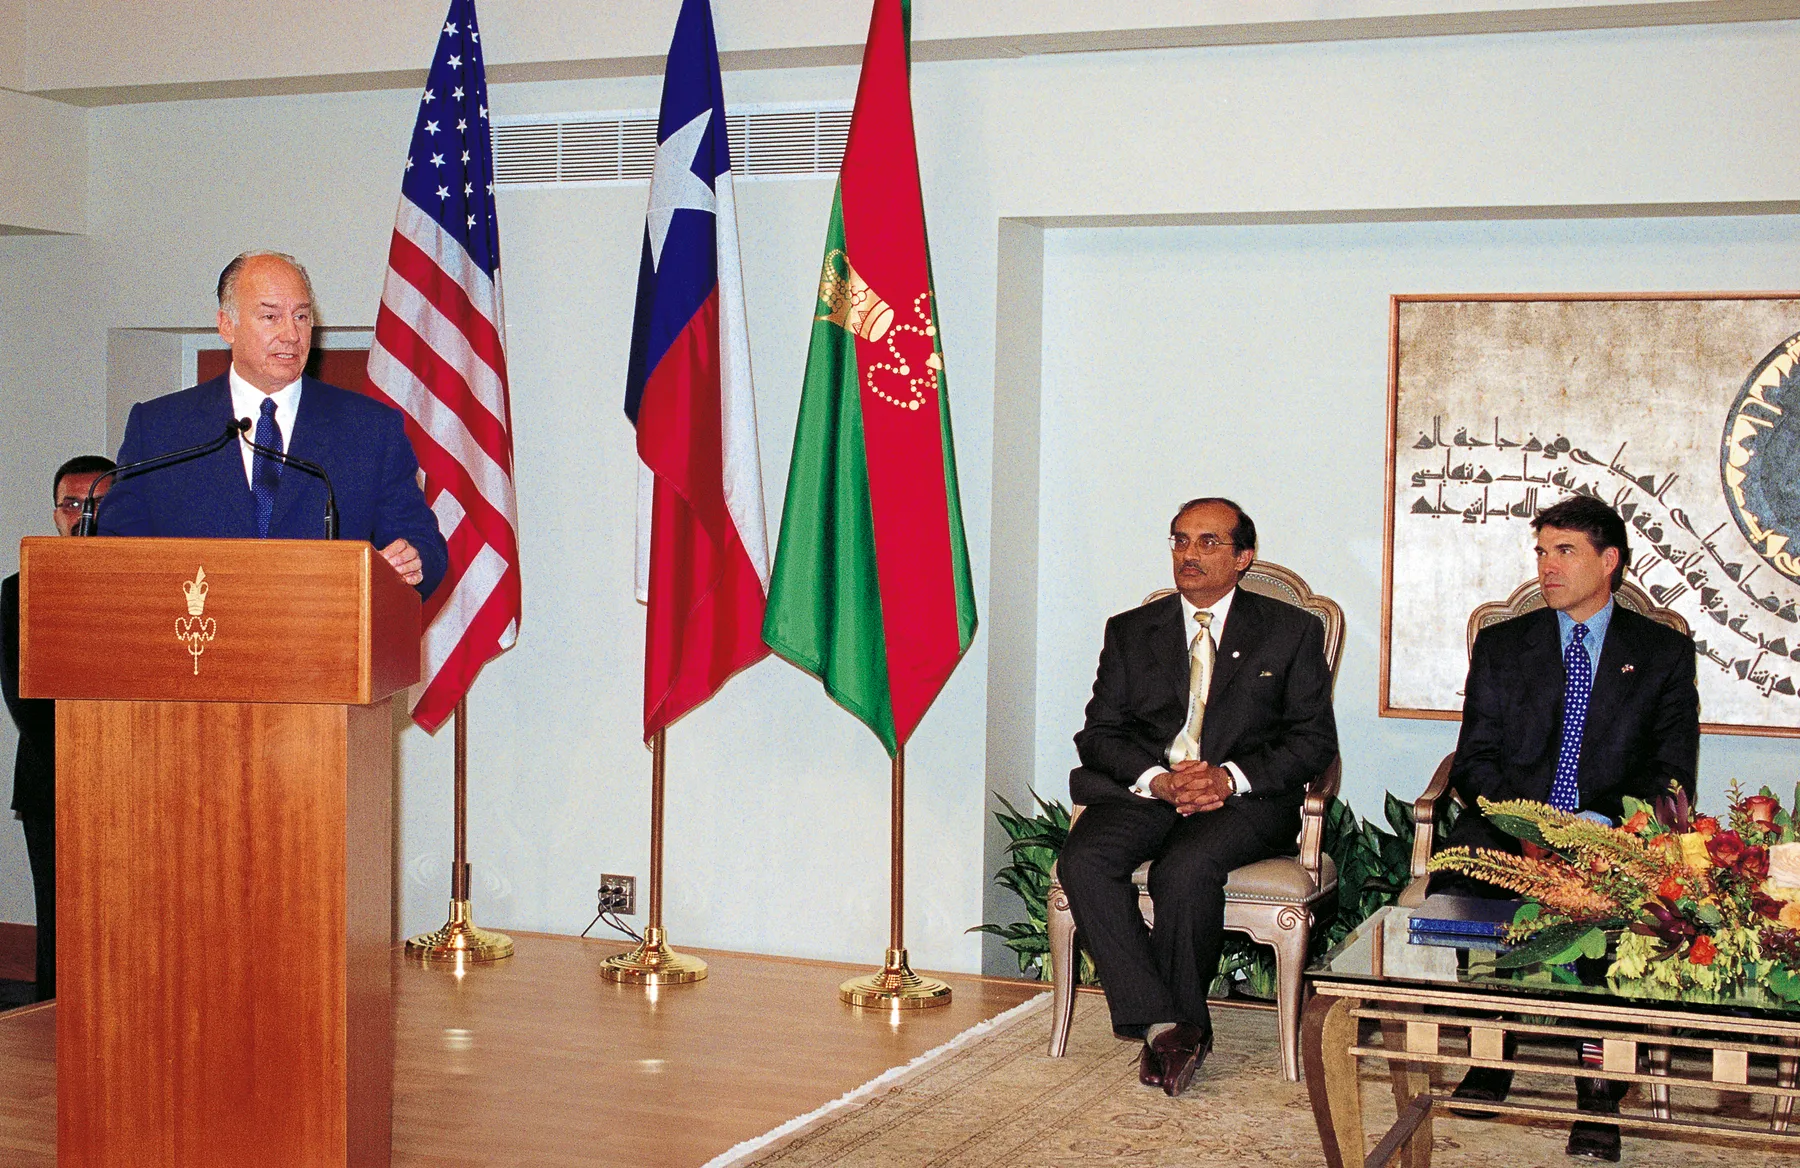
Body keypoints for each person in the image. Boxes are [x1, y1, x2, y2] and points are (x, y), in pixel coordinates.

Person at [1436, 494, 1699, 1162]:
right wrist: (1527, 829)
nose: (1547, 567)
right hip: (1511, 823)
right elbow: (1475, 760)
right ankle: (1492, 1050)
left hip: (1608, 830)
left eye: (1565, 552)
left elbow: (1672, 773)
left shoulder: (1663, 653)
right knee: (1468, 860)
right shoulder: (1504, 646)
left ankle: (1598, 1087)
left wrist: (1596, 835)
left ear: (1609, 561)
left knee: (1623, 894)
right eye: (1542, 552)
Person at [1059, 497, 1338, 1098]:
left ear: (1244, 556)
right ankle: (1170, 1025)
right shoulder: (1131, 631)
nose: (1189, 554)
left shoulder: (1290, 631)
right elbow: (1098, 734)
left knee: (1185, 869)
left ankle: (1174, 1023)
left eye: (1209, 542)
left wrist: (1228, 777)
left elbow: (1313, 742)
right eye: (1180, 541)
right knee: (1083, 859)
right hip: (1149, 791)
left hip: (1243, 801)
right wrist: (1159, 779)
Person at [97, 251, 447, 596]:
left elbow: (423, 543)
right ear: (226, 325)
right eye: (270, 317)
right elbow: (114, 552)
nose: (291, 334)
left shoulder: (369, 429)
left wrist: (414, 559)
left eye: (301, 316)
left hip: (324, 642)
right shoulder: (161, 428)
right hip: (196, 638)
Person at [2, 455, 115, 1001]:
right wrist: (88, 762)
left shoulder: (152, 586)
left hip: (138, 781)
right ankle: (53, 1027)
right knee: (61, 920)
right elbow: (24, 700)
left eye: (98, 503)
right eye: (72, 504)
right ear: (55, 514)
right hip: (53, 782)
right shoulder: (17, 591)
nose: (84, 515)